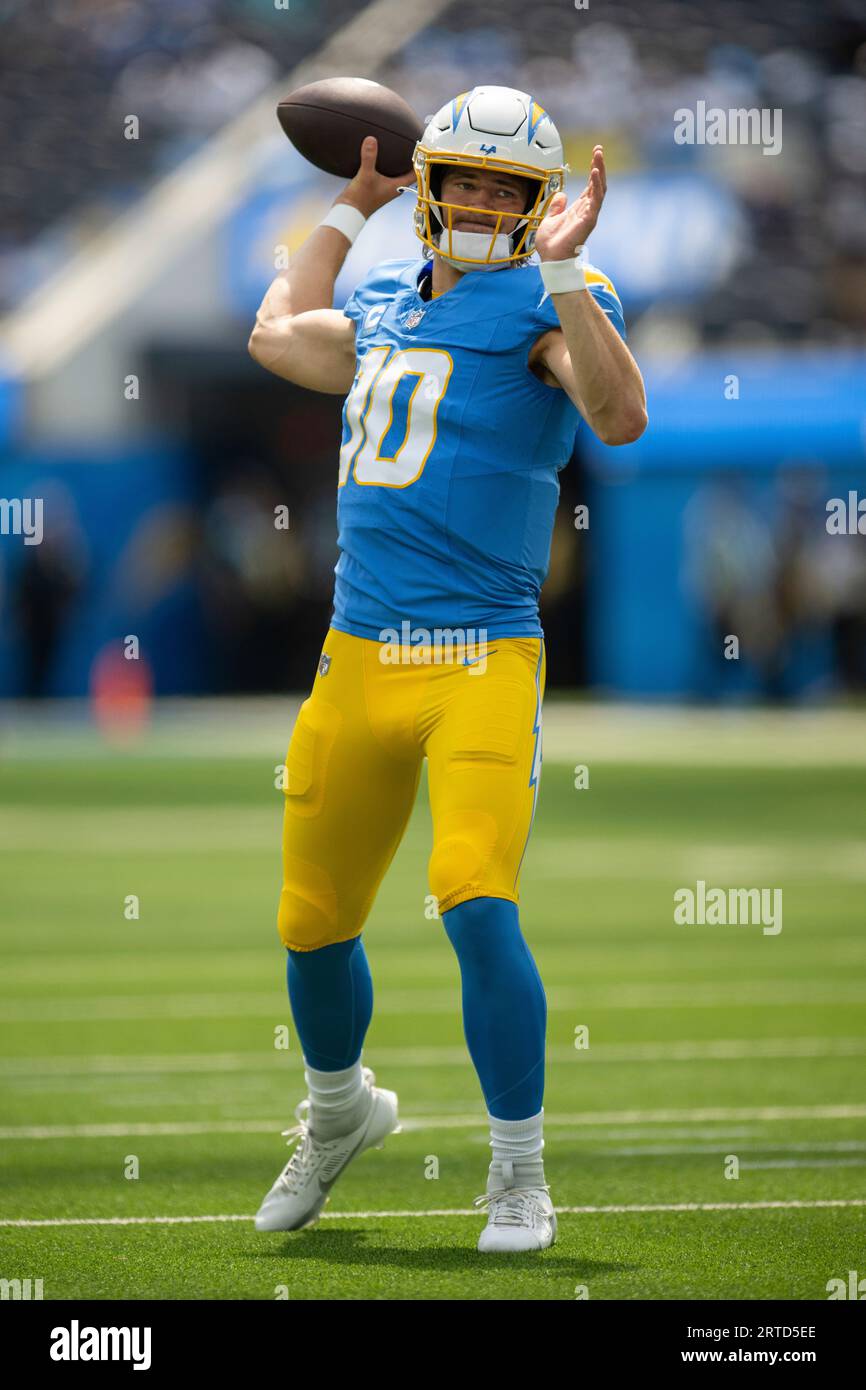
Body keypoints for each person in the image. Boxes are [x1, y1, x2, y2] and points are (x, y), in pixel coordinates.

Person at [248, 85, 647, 1252]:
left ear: (536, 207)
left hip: (476, 657)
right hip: (355, 659)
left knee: (474, 898)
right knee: (310, 926)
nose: (479, 202)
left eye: (504, 188)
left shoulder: (545, 303)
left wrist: (569, 273)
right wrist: (342, 206)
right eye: (463, 179)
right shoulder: (380, 297)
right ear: (426, 187)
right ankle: (337, 1116)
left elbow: (618, 418)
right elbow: (276, 332)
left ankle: (517, 1172)